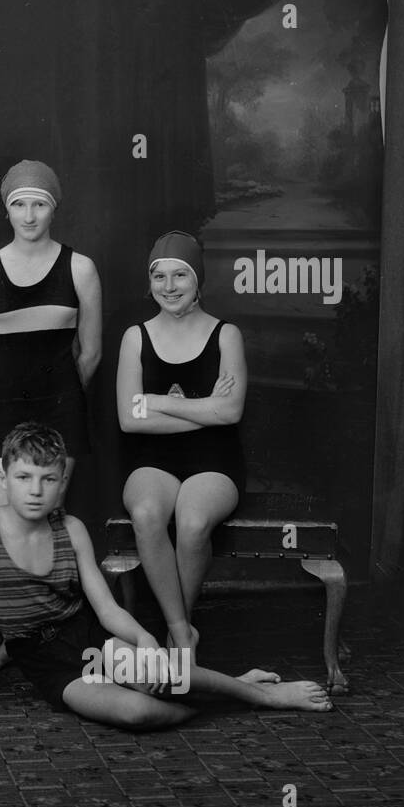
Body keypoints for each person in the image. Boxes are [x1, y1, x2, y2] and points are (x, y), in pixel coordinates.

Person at [0, 423, 332, 727]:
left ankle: (264, 695)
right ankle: (234, 687)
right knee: (138, 712)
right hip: (47, 663)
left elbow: (105, 608)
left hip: (90, 639)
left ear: (62, 483)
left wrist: (143, 638)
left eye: (48, 480)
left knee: (158, 678)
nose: (35, 490)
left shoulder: (71, 529)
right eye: (23, 478)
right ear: (3, 478)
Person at [0, 160, 102, 675]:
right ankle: (10, 640)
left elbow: (90, 352)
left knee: (49, 521)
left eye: (38, 204)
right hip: (1, 406)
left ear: (54, 208)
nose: (29, 214)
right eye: (19, 204)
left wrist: (58, 394)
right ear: (6, 210)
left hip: (60, 405)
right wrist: (9, 394)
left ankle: (53, 635)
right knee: (4, 523)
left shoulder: (80, 268)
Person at [116, 231, 246, 660]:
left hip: (215, 458)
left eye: (180, 275)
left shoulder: (226, 335)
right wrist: (205, 407)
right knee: (147, 513)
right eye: (159, 276)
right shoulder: (136, 337)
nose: (169, 287)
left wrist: (156, 402)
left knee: (192, 523)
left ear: (198, 280)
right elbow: (128, 419)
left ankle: (177, 633)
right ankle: (181, 632)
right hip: (151, 458)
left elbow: (230, 413)